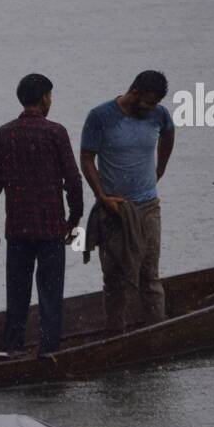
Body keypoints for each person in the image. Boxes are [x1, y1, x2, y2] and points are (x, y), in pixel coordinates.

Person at [0, 73, 83, 355]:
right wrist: (74, 219)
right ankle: (48, 352)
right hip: (51, 229)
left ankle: (12, 350)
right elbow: (73, 181)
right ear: (44, 98)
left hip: (17, 230)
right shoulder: (56, 132)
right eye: (50, 96)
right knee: (50, 296)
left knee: (17, 295)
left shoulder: (4, 134)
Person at [80, 70, 176, 333]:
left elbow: (168, 135)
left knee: (149, 275)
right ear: (134, 92)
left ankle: (158, 332)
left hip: (148, 207)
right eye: (147, 103)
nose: (151, 109)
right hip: (114, 209)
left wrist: (160, 170)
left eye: (155, 104)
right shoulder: (101, 116)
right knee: (114, 278)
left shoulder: (159, 114)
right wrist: (101, 195)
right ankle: (115, 334)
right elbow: (87, 157)